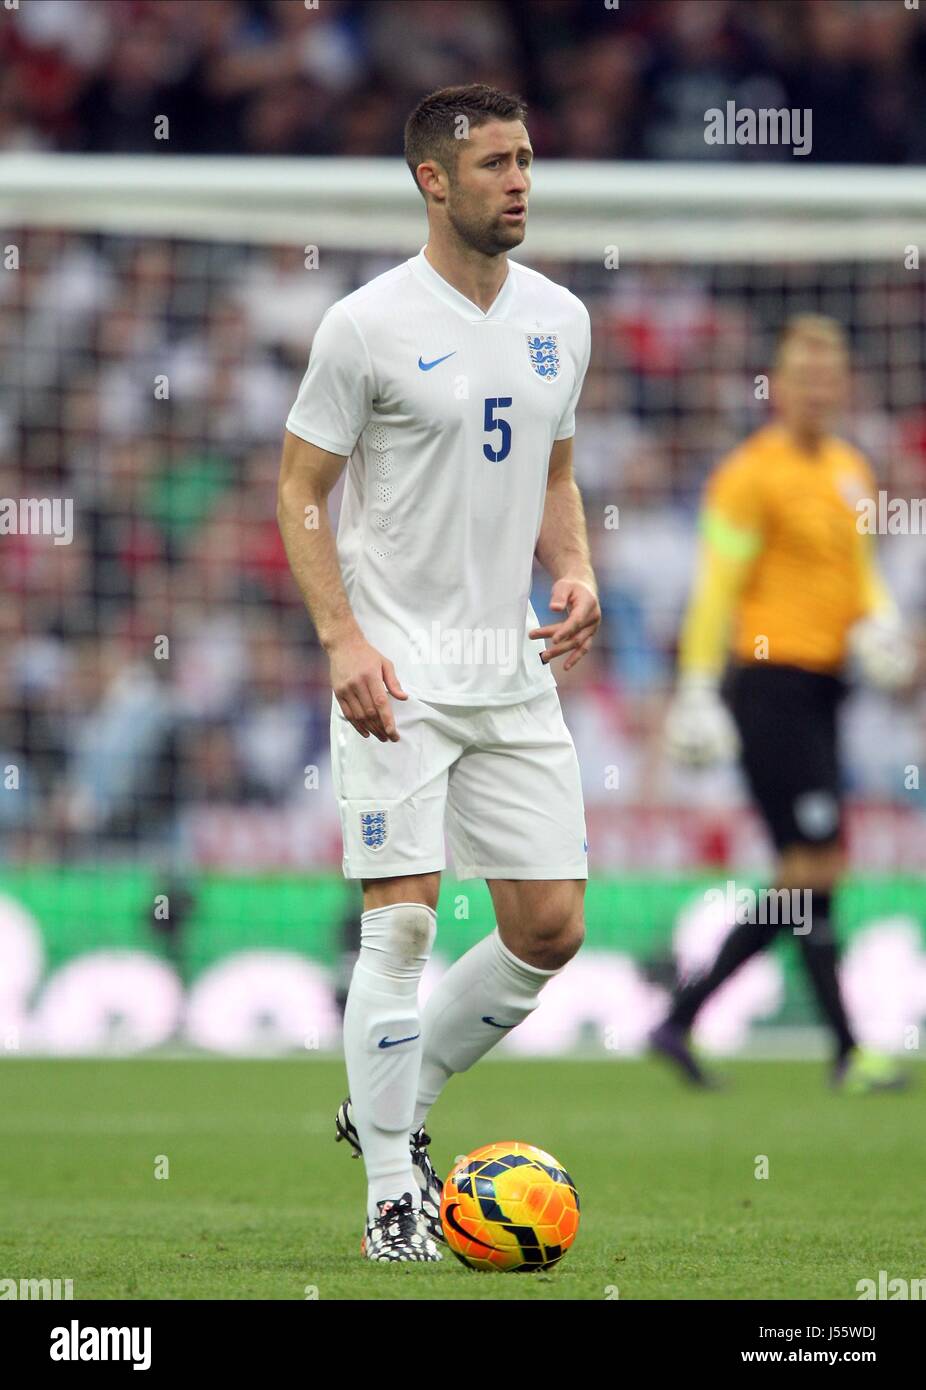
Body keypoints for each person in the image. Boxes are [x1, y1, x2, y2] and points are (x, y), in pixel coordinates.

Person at [277, 84, 599, 1260]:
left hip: (509, 666)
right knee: (399, 932)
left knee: (550, 929)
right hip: (395, 671)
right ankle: (388, 1196)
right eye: (497, 164)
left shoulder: (560, 316)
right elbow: (299, 493)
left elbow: (555, 476)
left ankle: (390, 1110)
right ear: (433, 180)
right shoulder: (361, 325)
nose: (519, 182)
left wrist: (570, 568)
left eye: (526, 160)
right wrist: (341, 641)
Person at [657, 315, 915, 1094]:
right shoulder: (749, 474)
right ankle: (847, 1051)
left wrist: (883, 625)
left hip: (828, 688)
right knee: (814, 865)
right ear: (779, 386)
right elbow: (716, 590)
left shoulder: (849, 471)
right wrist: (697, 687)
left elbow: (862, 575)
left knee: (811, 875)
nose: (818, 392)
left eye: (831, 379)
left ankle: (681, 1019)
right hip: (770, 689)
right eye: (804, 378)